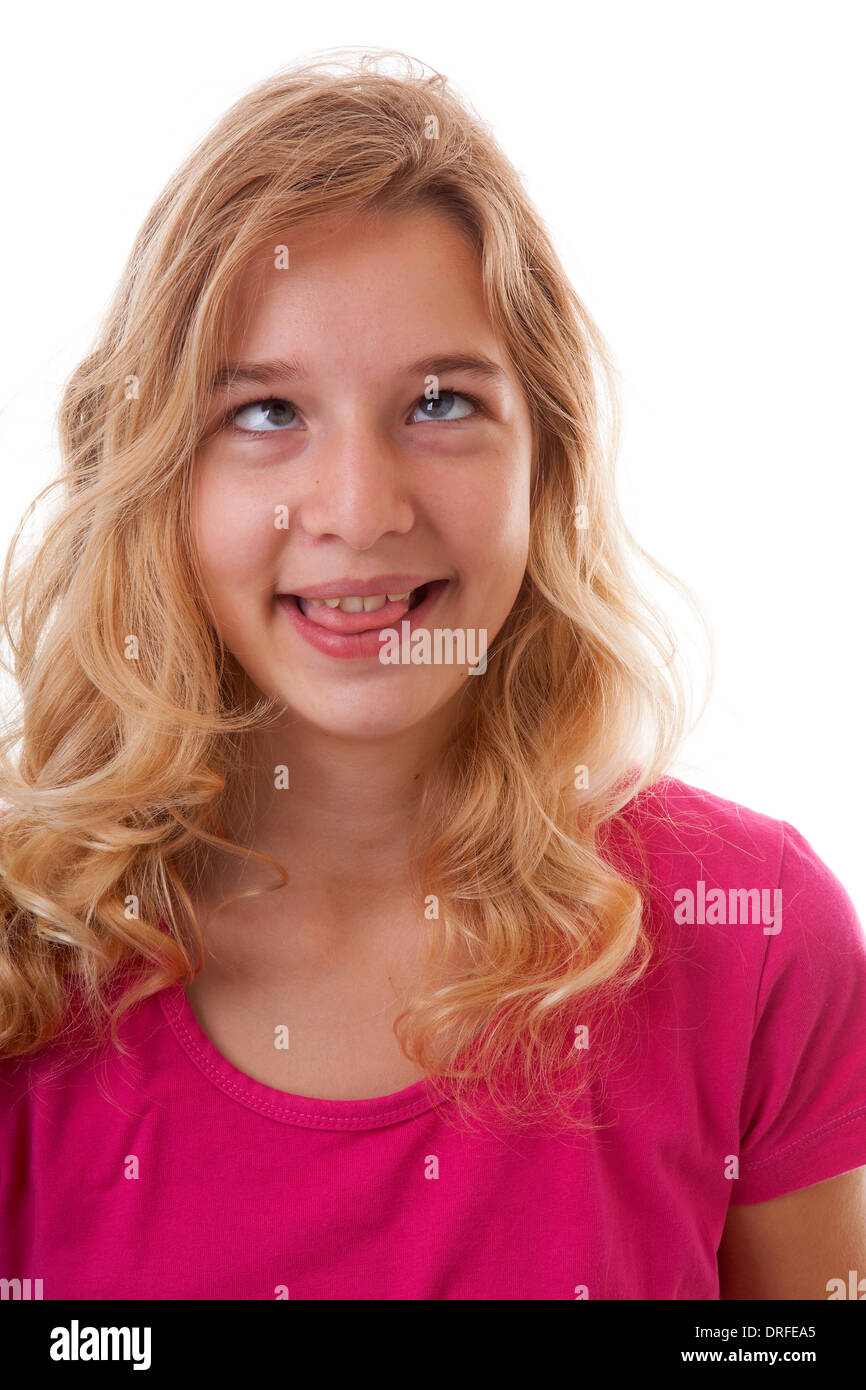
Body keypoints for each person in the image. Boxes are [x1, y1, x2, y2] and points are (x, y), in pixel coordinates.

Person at [1, 48, 865, 1302]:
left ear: (545, 463)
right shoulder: (29, 963)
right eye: (262, 413)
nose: (357, 509)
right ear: (157, 473)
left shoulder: (753, 934)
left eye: (441, 402)